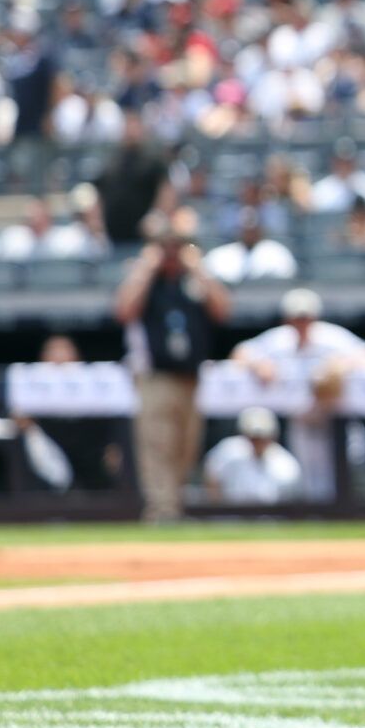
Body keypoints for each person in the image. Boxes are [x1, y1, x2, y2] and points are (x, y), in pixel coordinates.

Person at [112, 209, 233, 522]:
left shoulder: (192, 279)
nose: (171, 252)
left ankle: (174, 506)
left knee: (186, 446)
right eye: (165, 246)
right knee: (157, 444)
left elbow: (222, 311)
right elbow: (124, 310)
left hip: (191, 376)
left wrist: (197, 266)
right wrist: (148, 264)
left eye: (176, 245)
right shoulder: (146, 278)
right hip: (156, 376)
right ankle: (161, 509)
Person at [230, 288, 365, 502]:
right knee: (311, 486)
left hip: (337, 421)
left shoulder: (331, 338)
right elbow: (240, 353)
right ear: (287, 320)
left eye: (306, 318)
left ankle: (342, 525)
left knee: (343, 479)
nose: (302, 324)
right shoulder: (279, 340)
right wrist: (257, 364)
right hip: (303, 422)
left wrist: (342, 365)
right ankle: (319, 529)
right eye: (297, 318)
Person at [200, 405, 307, 506]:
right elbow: (212, 483)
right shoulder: (227, 452)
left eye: (262, 437)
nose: (258, 442)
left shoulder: (286, 465)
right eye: (253, 437)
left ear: (273, 436)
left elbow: (291, 503)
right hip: (231, 520)